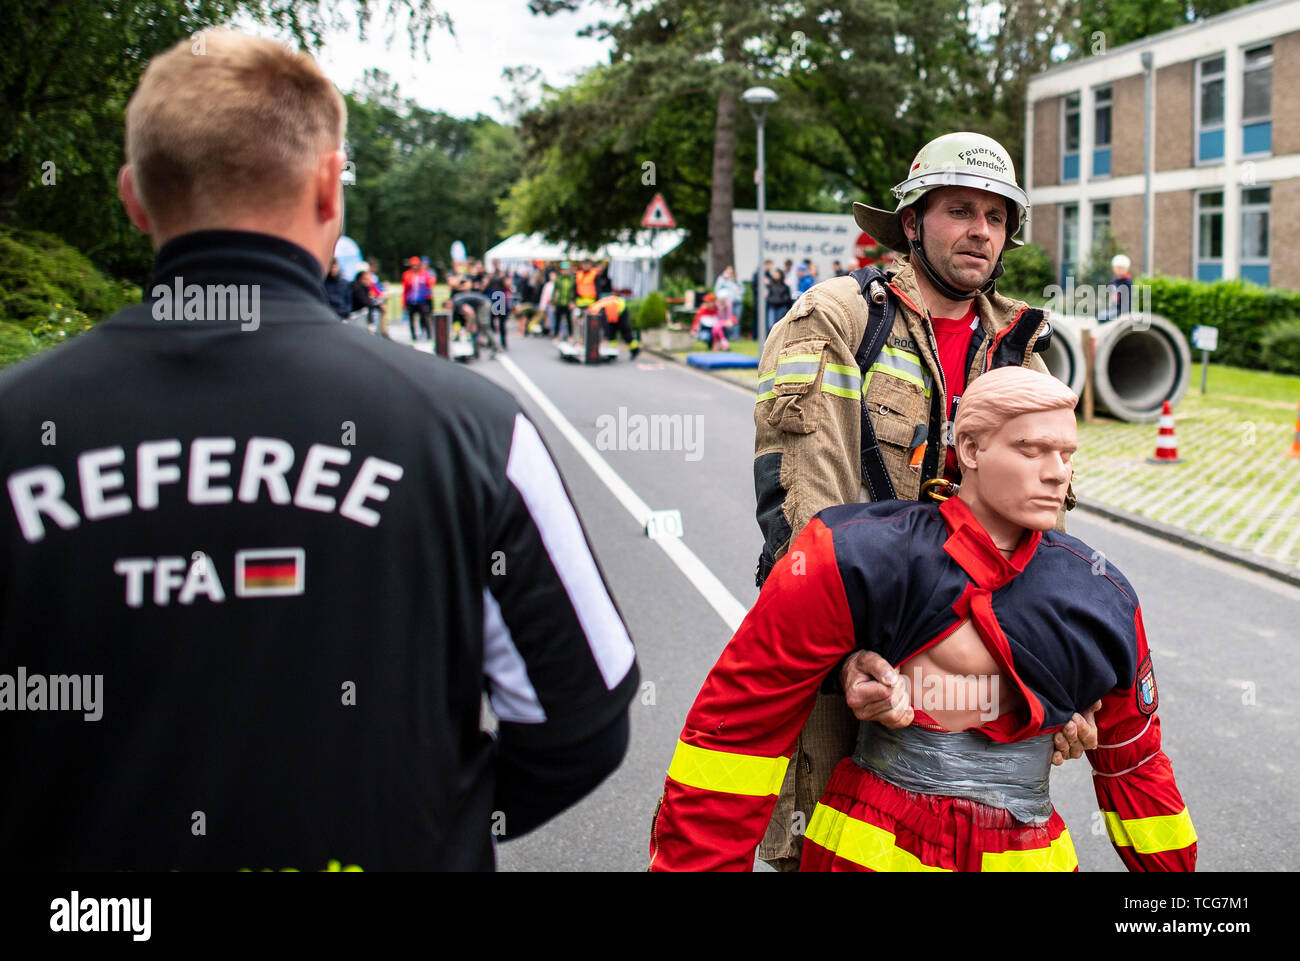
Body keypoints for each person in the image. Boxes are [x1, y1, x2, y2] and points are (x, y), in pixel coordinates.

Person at [0, 28, 638, 871]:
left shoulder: (21, 424)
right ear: (330, 189)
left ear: (134, 199)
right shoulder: (473, 428)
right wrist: (432, 824)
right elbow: (582, 722)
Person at [651, 366, 1196, 872]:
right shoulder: (854, 555)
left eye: (1067, 454)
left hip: (1027, 853)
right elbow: (735, 735)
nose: (1057, 474)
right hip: (871, 844)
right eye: (1031, 450)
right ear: (971, 448)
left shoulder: (1100, 597)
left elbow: (1135, 767)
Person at [752, 131, 1096, 871]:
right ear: (912, 223)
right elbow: (804, 509)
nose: (980, 231)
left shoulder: (1018, 345)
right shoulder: (838, 319)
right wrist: (851, 657)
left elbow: (1045, 522)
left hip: (975, 660)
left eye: (996, 217)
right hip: (845, 656)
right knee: (823, 849)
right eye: (959, 210)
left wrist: (1056, 669)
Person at [402, 256, 434, 341]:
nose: (415, 267)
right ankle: (414, 337)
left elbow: (428, 287)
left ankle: (428, 336)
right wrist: (404, 303)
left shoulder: (424, 274)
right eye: (413, 265)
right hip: (411, 300)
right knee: (411, 319)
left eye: (416, 265)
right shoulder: (407, 275)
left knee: (424, 318)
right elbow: (405, 290)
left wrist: (428, 300)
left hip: (422, 301)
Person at [714, 265, 743, 332]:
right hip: (728, 302)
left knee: (736, 319)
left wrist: (739, 289)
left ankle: (736, 336)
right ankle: (727, 335)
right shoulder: (722, 279)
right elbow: (717, 289)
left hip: (737, 301)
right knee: (728, 319)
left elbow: (742, 289)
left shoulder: (736, 279)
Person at [1104, 253, 1133, 321]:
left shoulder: (1127, 282)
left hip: (1122, 311)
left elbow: (1127, 300)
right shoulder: (1114, 281)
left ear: (1127, 268)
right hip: (1113, 308)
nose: (1119, 270)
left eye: (1121, 268)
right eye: (1117, 267)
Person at [765, 267, 793, 335]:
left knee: (779, 326)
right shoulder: (770, 285)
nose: (775, 275)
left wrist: (782, 301)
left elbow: (788, 298)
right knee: (771, 325)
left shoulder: (785, 286)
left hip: (781, 307)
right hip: (772, 306)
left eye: (777, 274)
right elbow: (768, 295)